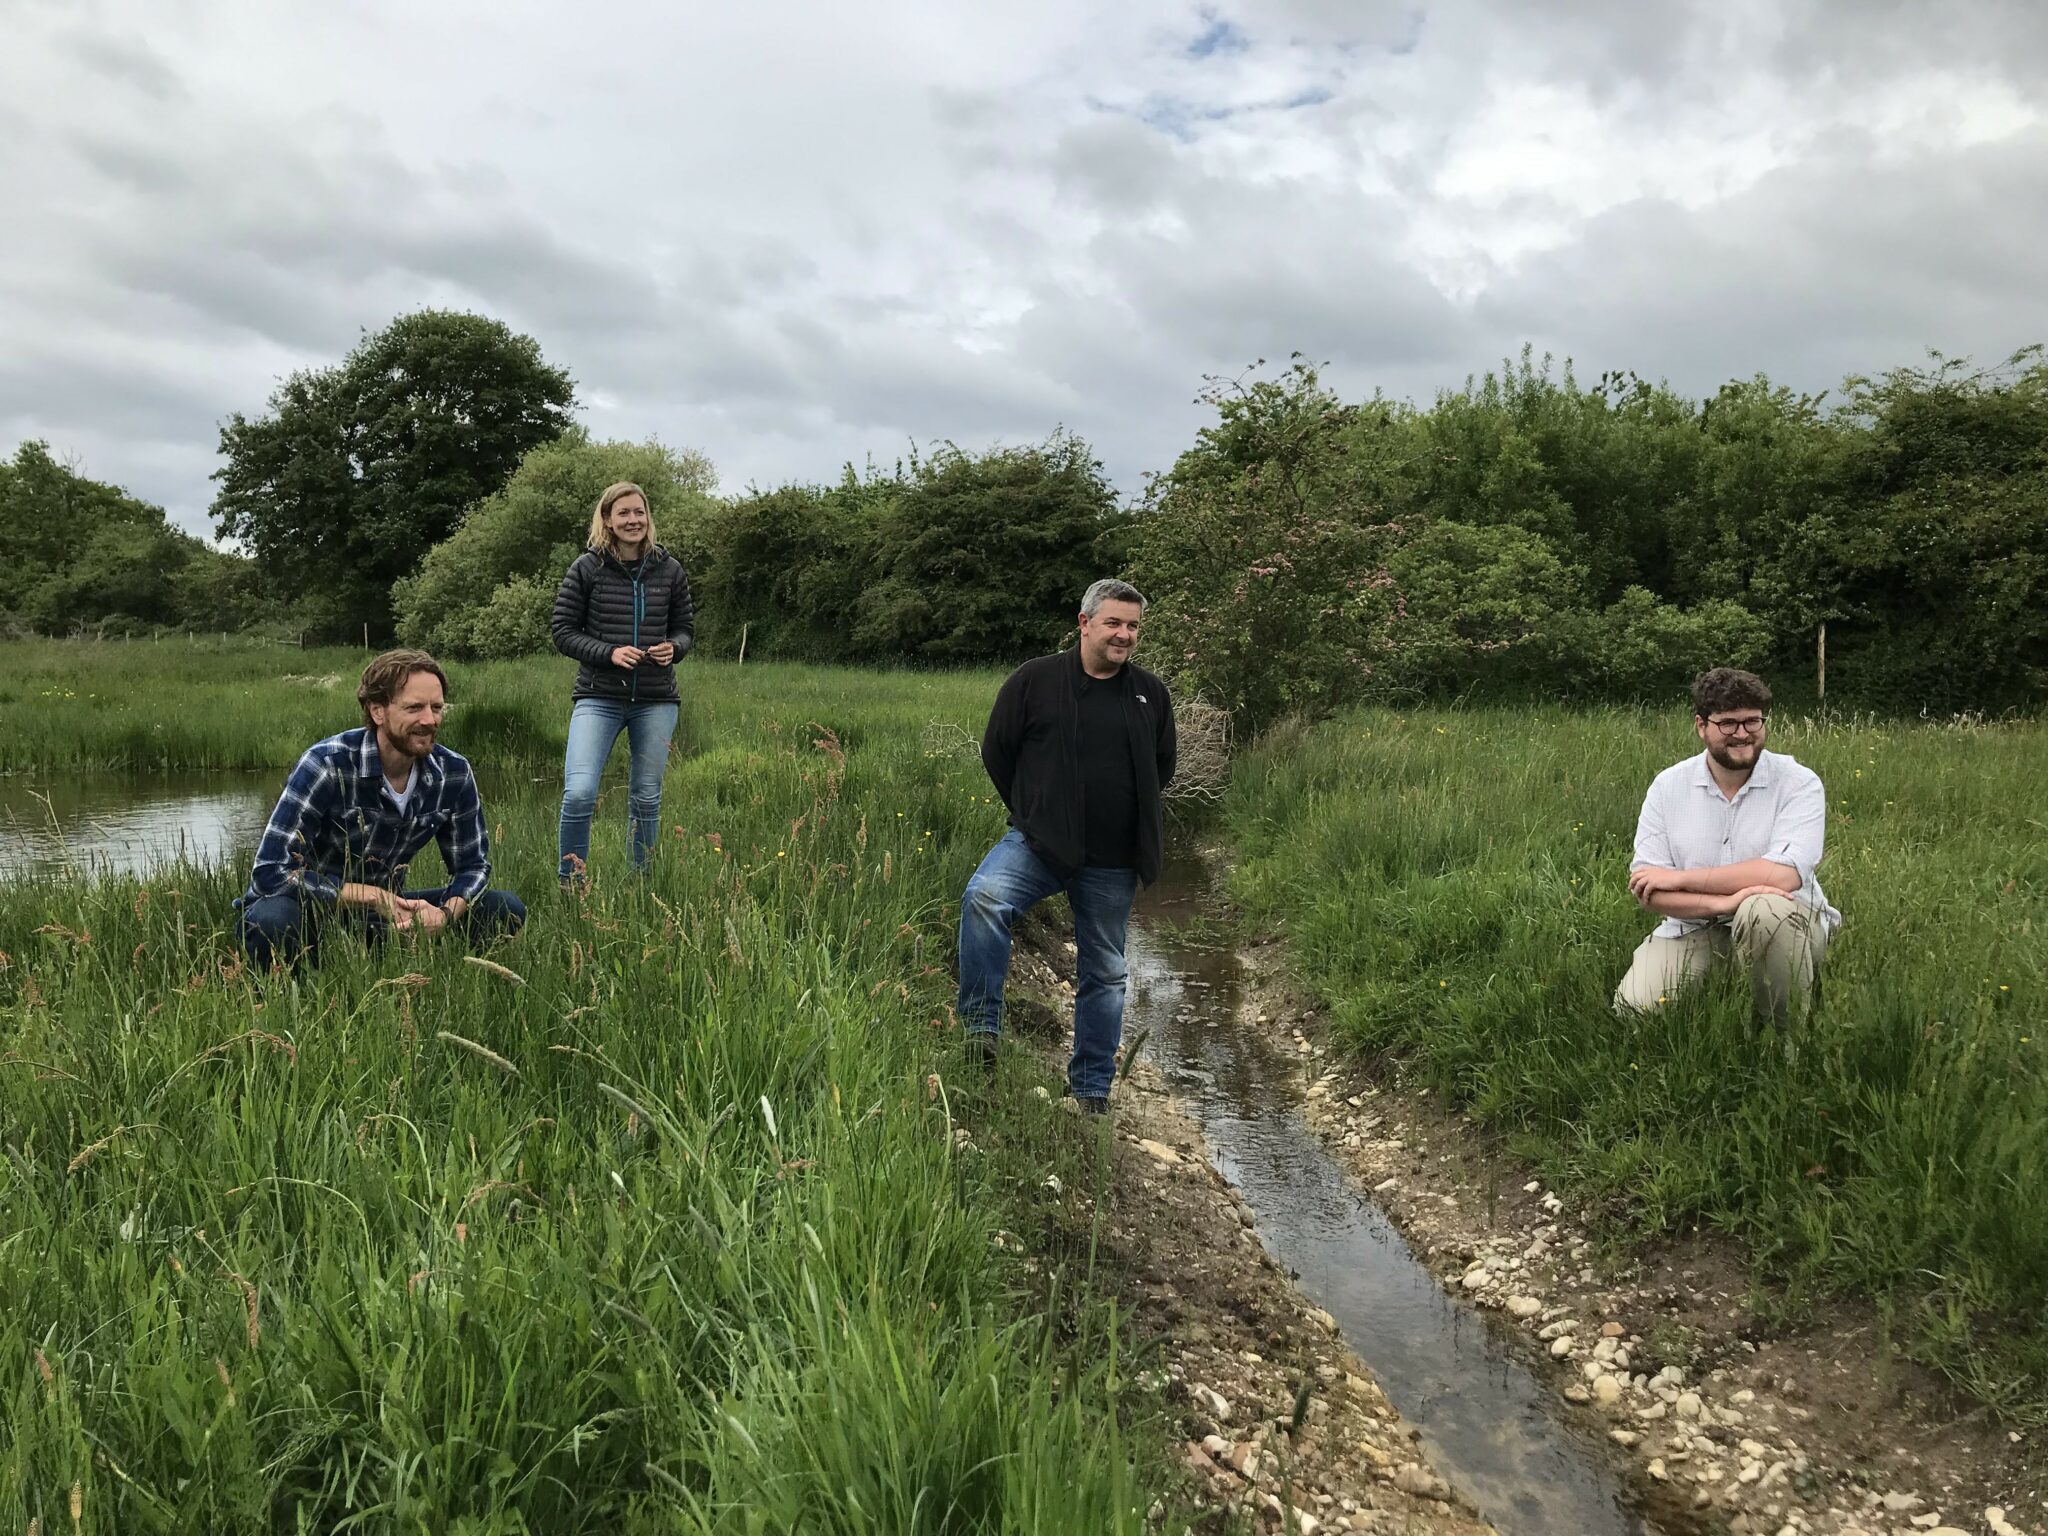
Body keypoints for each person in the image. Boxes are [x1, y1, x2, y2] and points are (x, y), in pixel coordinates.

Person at [956, 579, 1177, 1112]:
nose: (1124, 635)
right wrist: (1034, 813)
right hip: (1038, 845)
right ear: (1084, 623)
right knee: (984, 898)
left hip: (1113, 861)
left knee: (1105, 971)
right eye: (1113, 623)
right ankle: (981, 1029)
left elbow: (1161, 768)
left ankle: (1090, 1089)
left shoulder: (1150, 694)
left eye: (1133, 626)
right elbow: (998, 751)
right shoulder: (1035, 680)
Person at [235, 649, 525, 969]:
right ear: (377, 711)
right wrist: (373, 896)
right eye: (414, 708)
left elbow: (473, 867)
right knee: (272, 918)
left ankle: (465, 979)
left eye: (437, 707)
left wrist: (442, 915)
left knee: (503, 907)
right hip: (310, 912)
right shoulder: (327, 764)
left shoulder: (453, 772)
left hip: (386, 916)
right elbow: (270, 873)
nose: (429, 720)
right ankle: (285, 999)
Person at [1617, 667, 1839, 1027]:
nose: (1743, 734)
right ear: (1701, 725)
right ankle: (1732, 976)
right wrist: (1723, 904)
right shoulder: (1668, 787)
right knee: (1636, 1010)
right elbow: (1649, 891)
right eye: (1728, 724)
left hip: (1788, 922)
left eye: (1753, 721)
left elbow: (1784, 875)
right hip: (1696, 927)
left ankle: (1784, 1041)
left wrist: (1681, 879)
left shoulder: (1798, 783)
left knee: (1764, 909)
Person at [549, 481, 695, 884]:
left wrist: (674, 649)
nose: (633, 520)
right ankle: (571, 883)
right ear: (608, 521)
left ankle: (641, 883)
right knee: (579, 792)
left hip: (656, 698)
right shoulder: (586, 568)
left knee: (646, 797)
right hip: (598, 696)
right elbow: (562, 631)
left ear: (648, 517)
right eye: (624, 513)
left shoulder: (670, 569)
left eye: (639, 512)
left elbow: (684, 629)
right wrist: (609, 653)